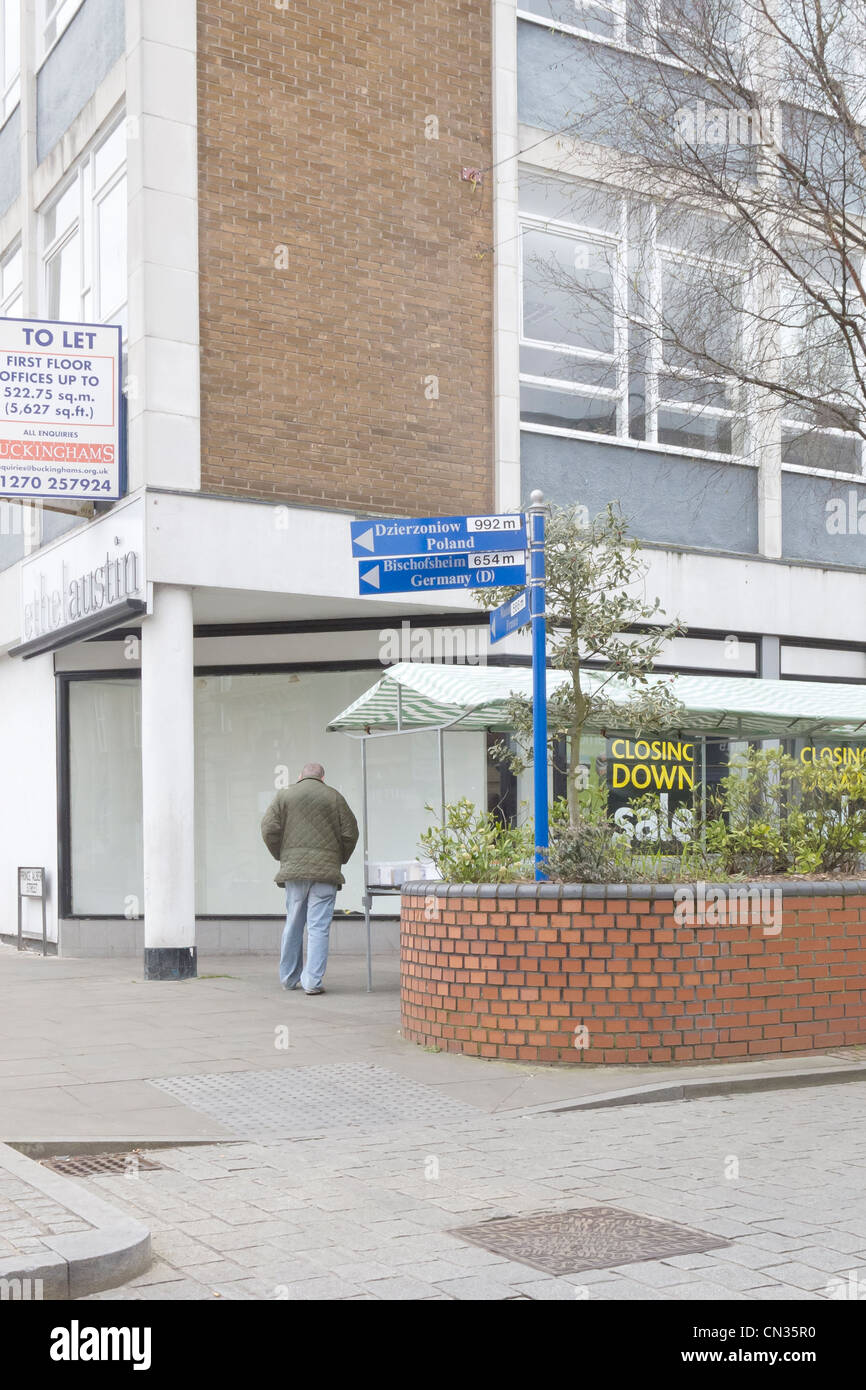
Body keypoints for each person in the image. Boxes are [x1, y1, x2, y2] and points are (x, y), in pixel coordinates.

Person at [261, 762, 359, 995]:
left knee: (293, 923)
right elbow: (350, 832)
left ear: (299, 776)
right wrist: (338, 858)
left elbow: (268, 828)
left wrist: (282, 855)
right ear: (323, 778)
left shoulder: (284, 795)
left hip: (294, 871)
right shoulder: (334, 797)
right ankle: (312, 982)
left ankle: (288, 978)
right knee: (318, 927)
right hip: (325, 873)